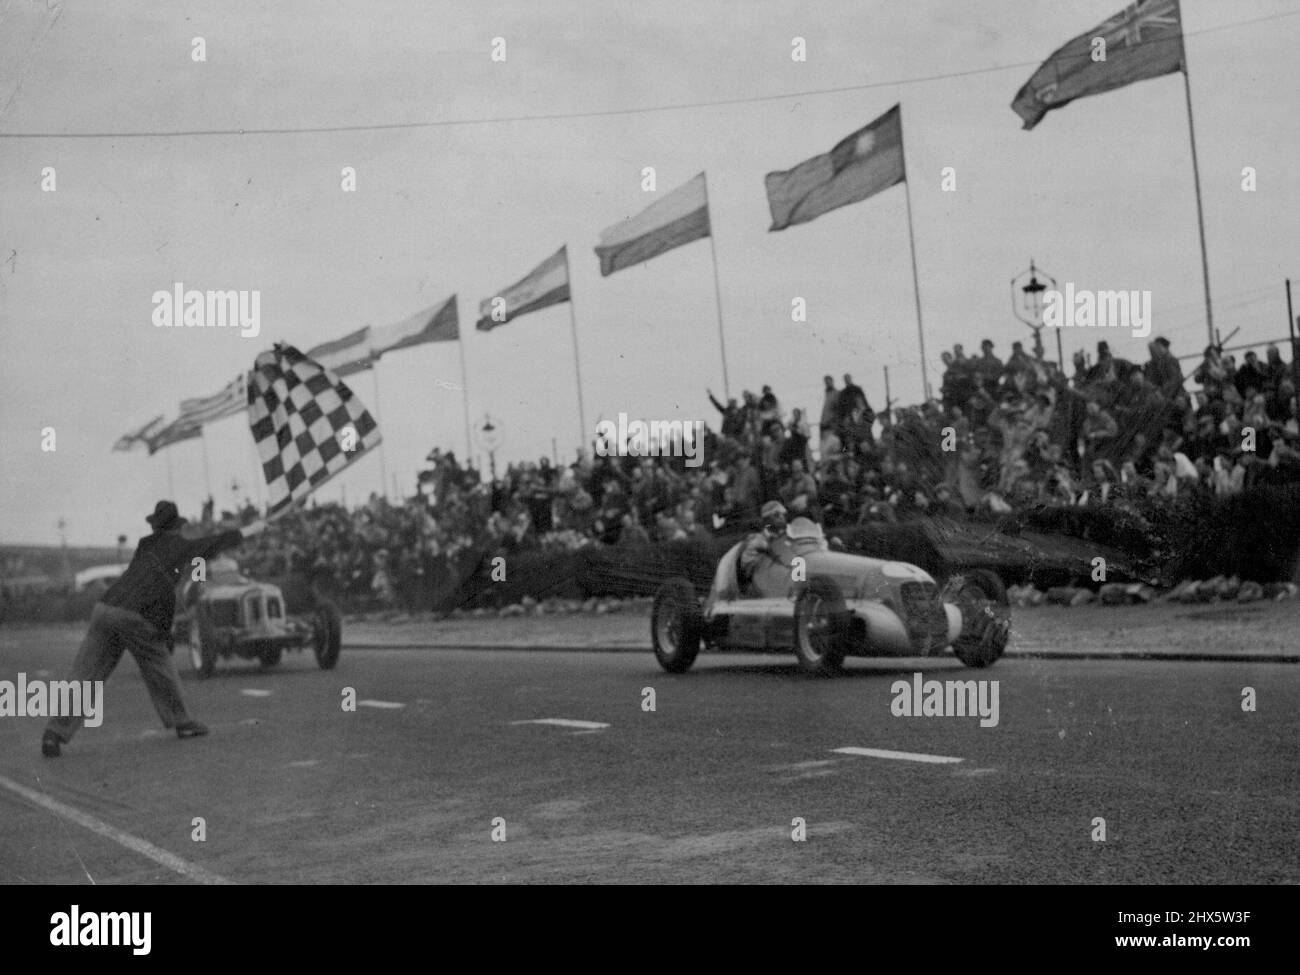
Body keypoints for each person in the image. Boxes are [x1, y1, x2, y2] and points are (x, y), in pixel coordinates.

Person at [42, 500, 263, 758]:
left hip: (105, 608)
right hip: (135, 615)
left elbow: (154, 589)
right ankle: (182, 722)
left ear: (156, 526)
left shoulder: (144, 546)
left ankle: (53, 733)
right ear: (177, 527)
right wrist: (253, 529)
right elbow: (215, 543)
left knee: (85, 675)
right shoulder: (180, 546)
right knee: (159, 664)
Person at [738, 500, 787, 585]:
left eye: (783, 514)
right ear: (766, 520)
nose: (781, 517)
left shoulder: (789, 536)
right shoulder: (757, 541)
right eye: (776, 515)